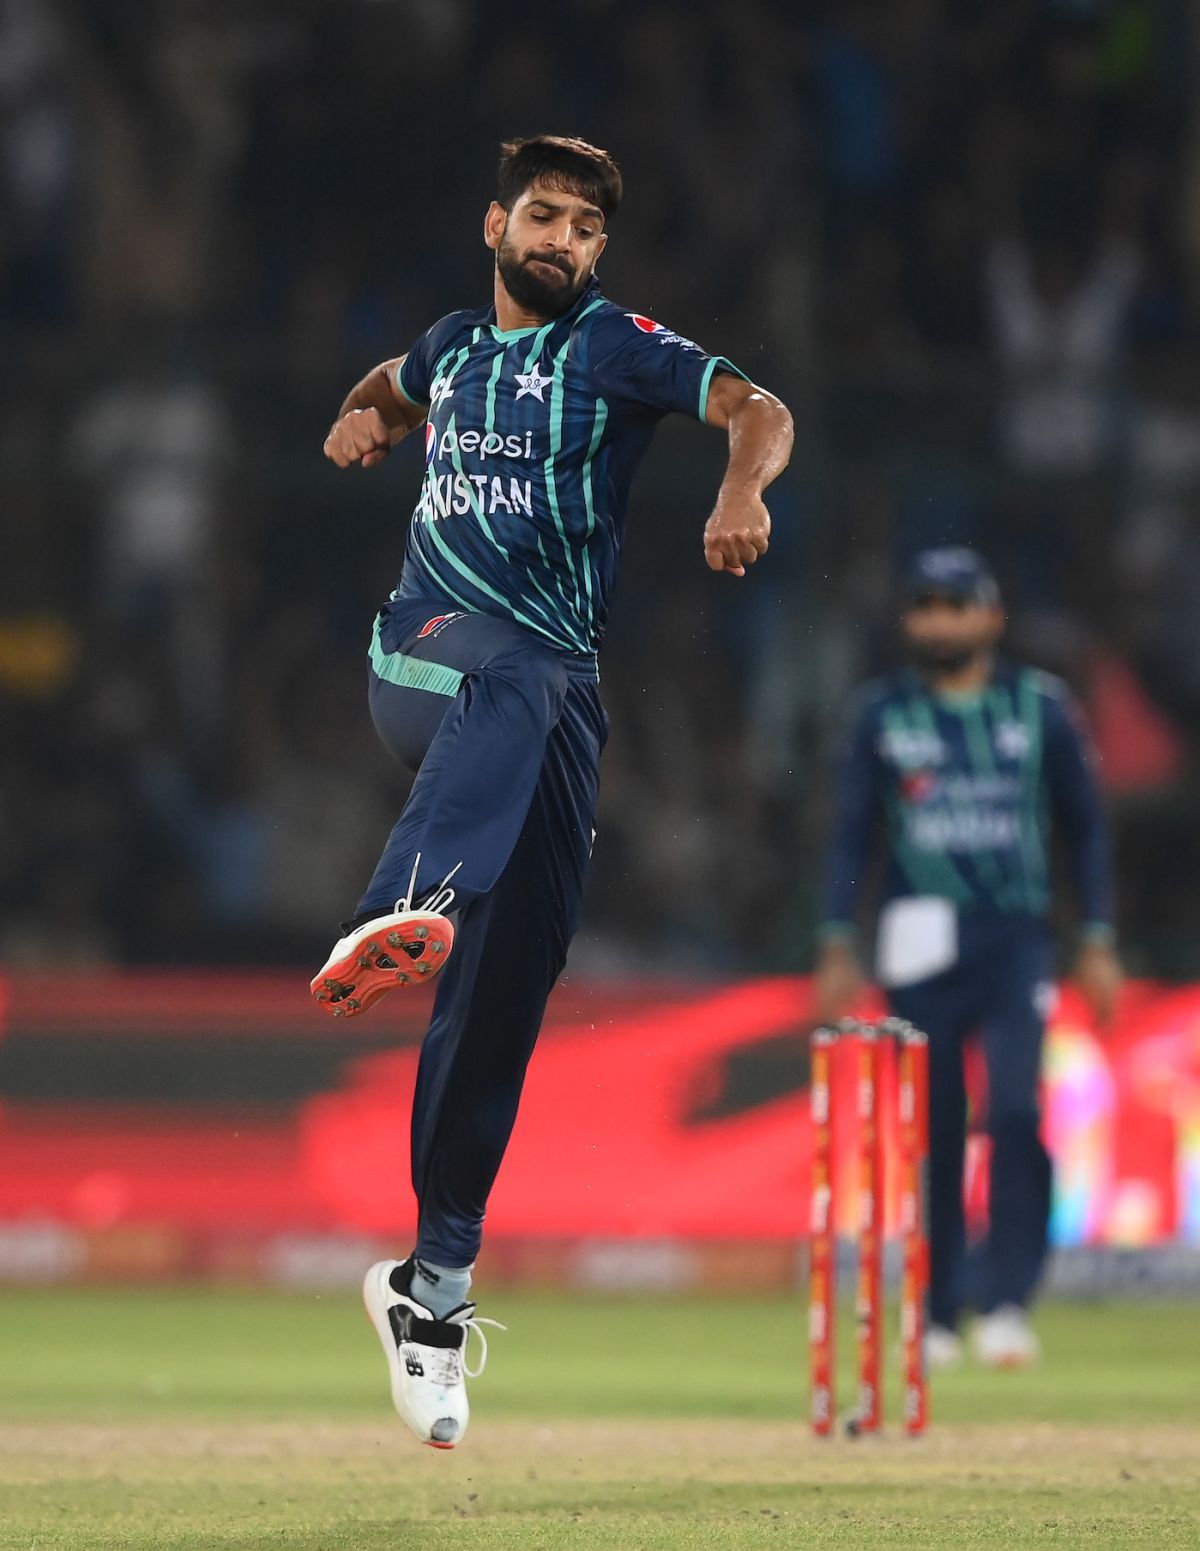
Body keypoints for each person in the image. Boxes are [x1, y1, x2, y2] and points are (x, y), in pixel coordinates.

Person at [314, 135, 793, 1448]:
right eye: (544, 214)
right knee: (512, 674)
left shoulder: (619, 346)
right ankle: (399, 902)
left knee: (511, 986)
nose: (564, 239)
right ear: (495, 222)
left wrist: (742, 483)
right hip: (425, 655)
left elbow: (760, 408)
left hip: (552, 703)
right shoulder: (453, 344)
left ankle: (432, 1292)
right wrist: (367, 412)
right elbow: (389, 379)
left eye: (586, 226)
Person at [813, 547, 1121, 1369]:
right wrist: (837, 936)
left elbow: (1085, 827)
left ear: (991, 616)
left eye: (955, 605)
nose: (938, 620)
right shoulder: (882, 715)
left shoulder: (1042, 707)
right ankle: (940, 1309)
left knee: (1017, 1111)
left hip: (1016, 936)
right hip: (918, 938)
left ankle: (1009, 1299)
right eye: (924, 605)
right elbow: (851, 832)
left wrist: (1095, 938)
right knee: (933, 1129)